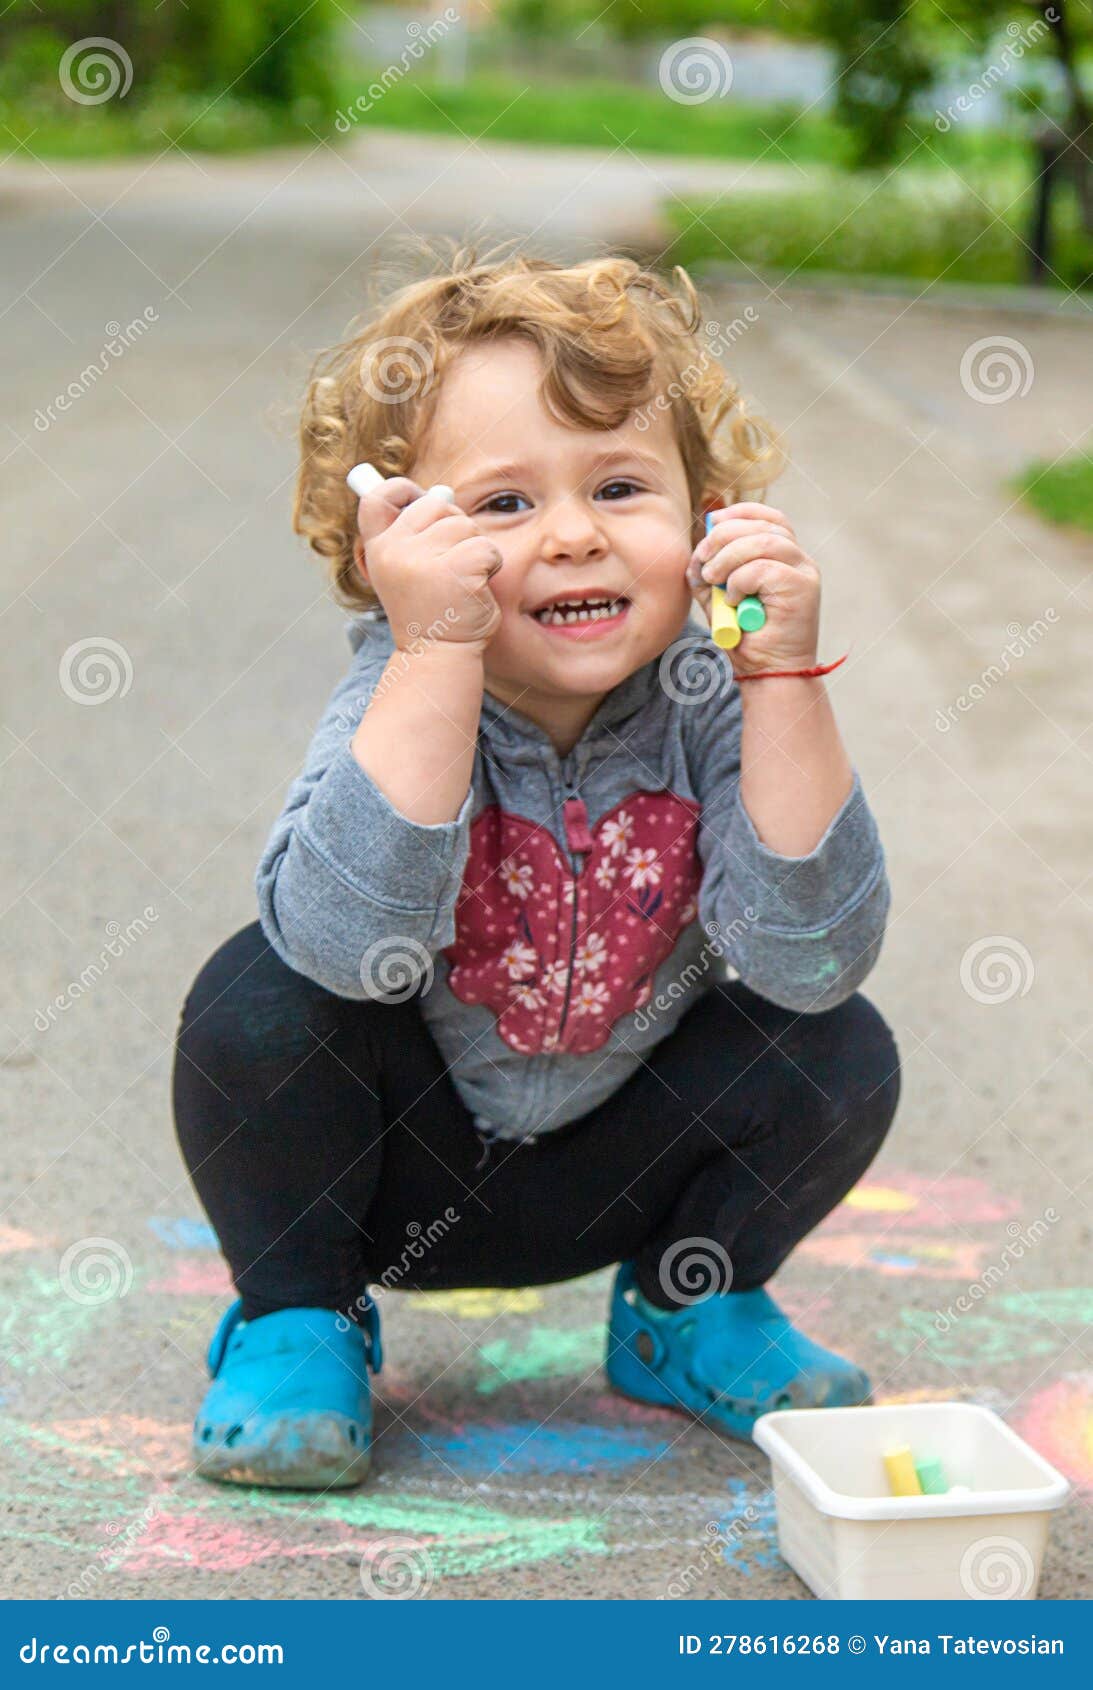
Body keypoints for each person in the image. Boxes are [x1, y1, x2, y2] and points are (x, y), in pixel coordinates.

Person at [173, 249, 901, 1490]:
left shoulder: (710, 692)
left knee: (839, 1047)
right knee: (252, 1005)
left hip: (614, 1164)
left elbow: (811, 957)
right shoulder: (397, 685)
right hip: (400, 1175)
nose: (572, 535)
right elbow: (338, 945)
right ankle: (300, 1319)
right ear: (402, 542)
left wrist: (778, 677)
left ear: (706, 514)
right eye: (503, 506)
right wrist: (437, 653)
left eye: (621, 486)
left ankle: (691, 1302)